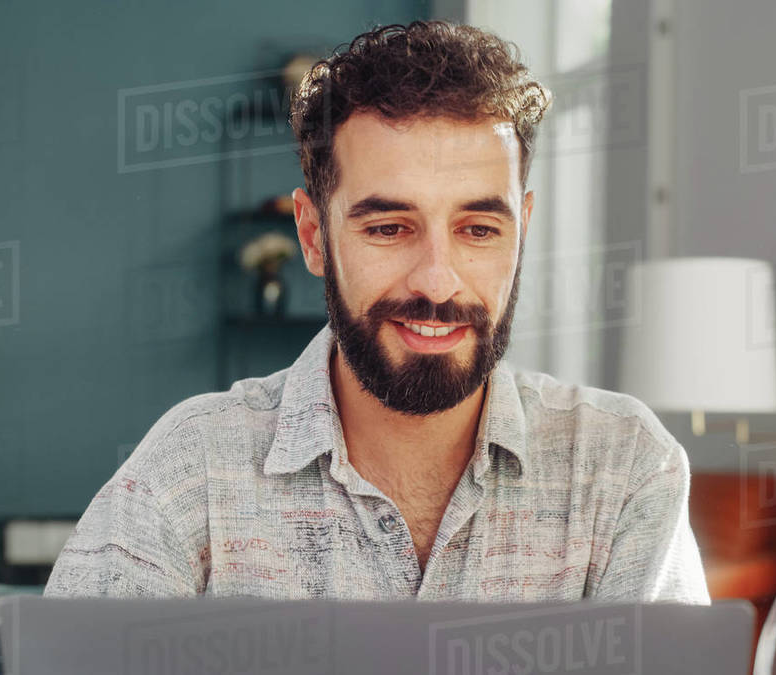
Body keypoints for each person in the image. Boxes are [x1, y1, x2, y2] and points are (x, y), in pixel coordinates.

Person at [45, 20, 709, 604]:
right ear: (312, 235)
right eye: (389, 228)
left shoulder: (623, 469)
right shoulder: (191, 470)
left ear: (521, 231)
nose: (438, 282)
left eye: (479, 229)